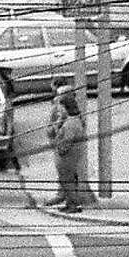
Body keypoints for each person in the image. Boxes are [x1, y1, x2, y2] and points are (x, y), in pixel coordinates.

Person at [47, 86, 86, 214]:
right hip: (70, 156)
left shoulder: (70, 123)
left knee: (67, 181)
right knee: (68, 180)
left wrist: (60, 149)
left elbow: (66, 142)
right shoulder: (73, 121)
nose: (59, 110)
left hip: (67, 157)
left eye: (61, 107)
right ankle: (69, 203)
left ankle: (73, 204)